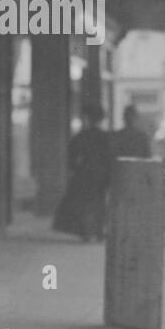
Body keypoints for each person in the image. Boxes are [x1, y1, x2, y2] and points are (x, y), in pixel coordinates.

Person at [52, 102, 111, 241]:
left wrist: (75, 169)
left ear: (87, 118)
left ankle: (86, 232)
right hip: (102, 175)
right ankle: (98, 231)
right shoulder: (106, 137)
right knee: (99, 202)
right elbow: (110, 156)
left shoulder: (81, 136)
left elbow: (72, 157)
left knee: (85, 204)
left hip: (84, 174)